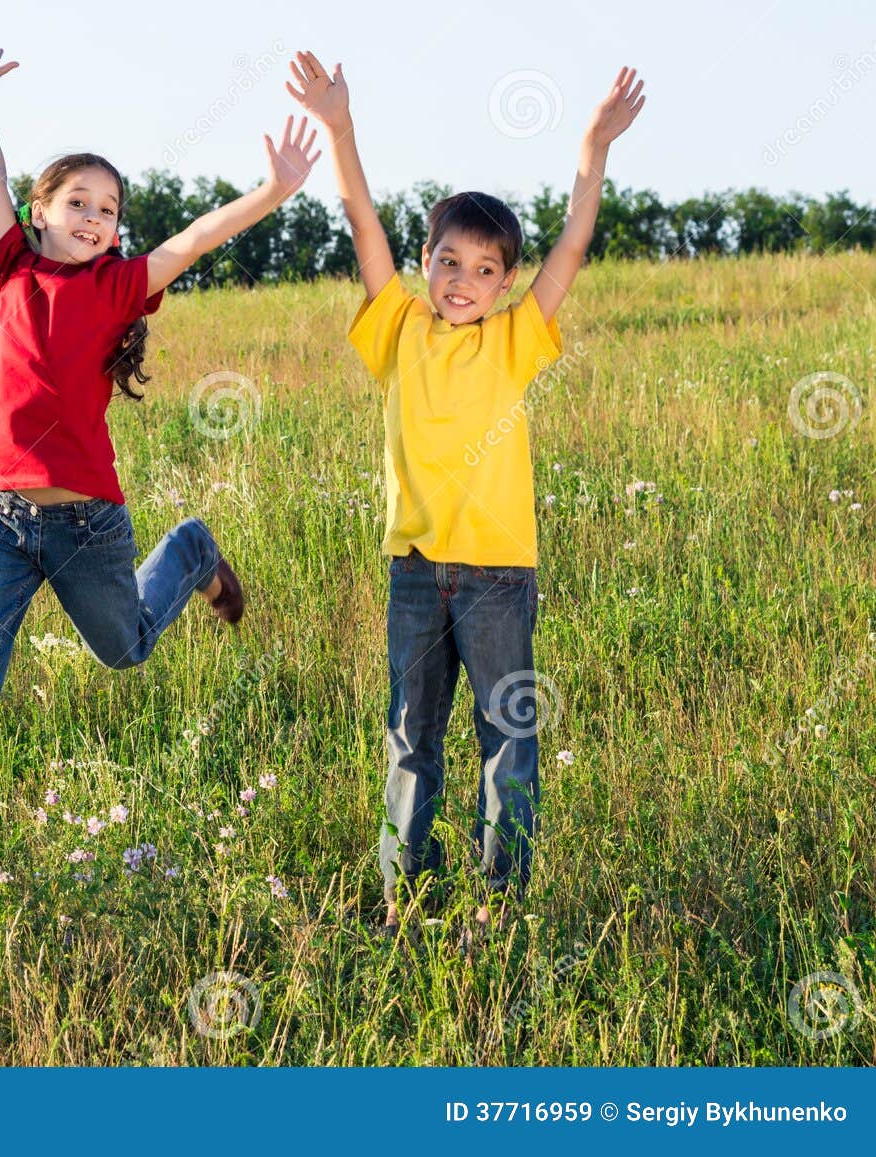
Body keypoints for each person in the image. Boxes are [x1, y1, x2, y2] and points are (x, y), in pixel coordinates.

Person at [0, 47, 320, 867]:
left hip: (89, 525)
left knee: (124, 647)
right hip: (4, 520)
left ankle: (193, 549)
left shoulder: (121, 285)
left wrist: (271, 192)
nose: (95, 216)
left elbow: (198, 239)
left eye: (109, 207)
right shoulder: (12, 269)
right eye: (78, 201)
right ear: (40, 211)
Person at [287, 50, 646, 934]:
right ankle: (404, 896)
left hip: (495, 578)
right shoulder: (401, 327)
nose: (464, 282)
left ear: (505, 282)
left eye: (487, 270)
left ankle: (503, 903)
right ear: (427, 262)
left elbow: (572, 243)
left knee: (506, 741)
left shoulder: (519, 337)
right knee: (411, 736)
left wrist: (593, 147)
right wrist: (339, 126)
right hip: (415, 570)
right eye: (450, 262)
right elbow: (362, 225)